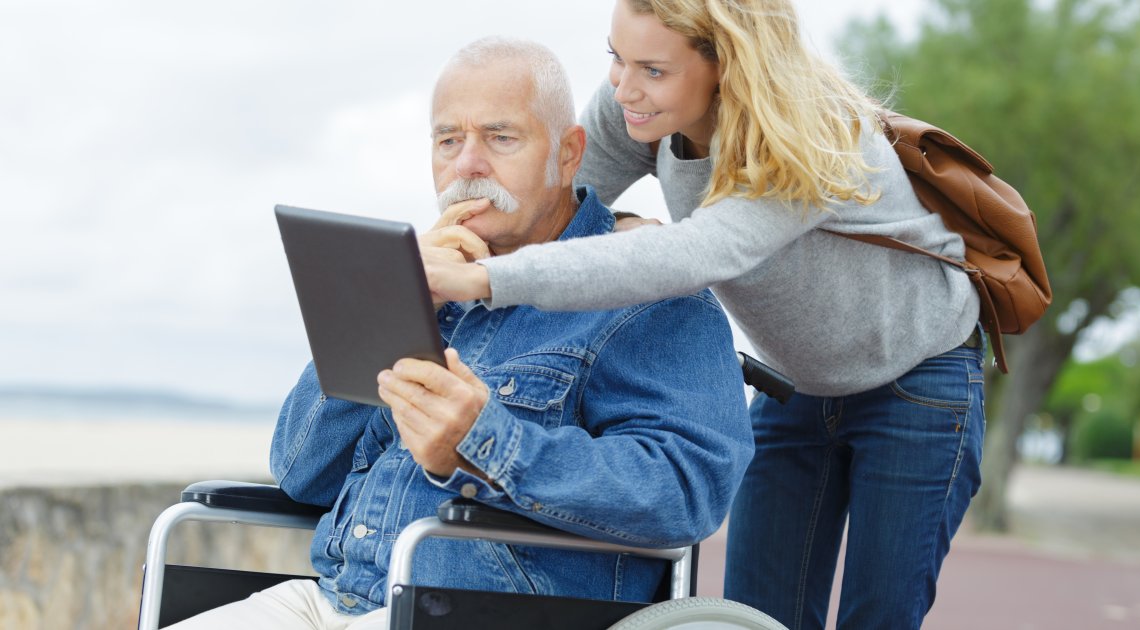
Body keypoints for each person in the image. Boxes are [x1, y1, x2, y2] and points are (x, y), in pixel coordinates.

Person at [422, 2, 987, 629]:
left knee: (877, 617)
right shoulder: (634, 110)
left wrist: (482, 277)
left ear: (727, 65)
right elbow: (555, 210)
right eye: (616, 57)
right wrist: (464, 247)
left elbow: (697, 252)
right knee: (756, 617)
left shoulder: (816, 134)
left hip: (917, 380)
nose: (624, 88)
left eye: (654, 70)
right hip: (796, 382)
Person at [163, 37, 753, 630]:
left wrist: (484, 444)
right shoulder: (423, 285)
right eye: (449, 140)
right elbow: (301, 472)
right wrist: (389, 304)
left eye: (500, 137)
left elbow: (685, 490)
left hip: (488, 612)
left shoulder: (647, 288)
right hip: (334, 598)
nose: (467, 164)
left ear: (569, 153)